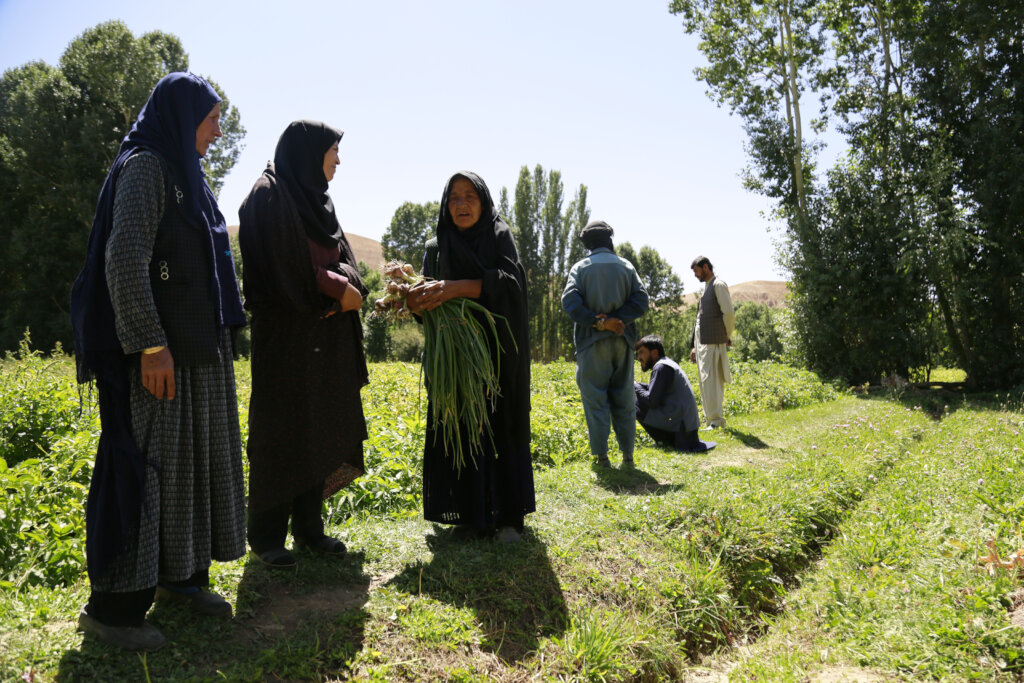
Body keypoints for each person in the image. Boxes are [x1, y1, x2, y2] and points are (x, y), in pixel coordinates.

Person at [69, 73, 247, 651]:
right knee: (148, 472)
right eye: (212, 118)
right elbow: (124, 261)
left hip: (199, 354)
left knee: (192, 468)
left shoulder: (188, 176)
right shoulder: (145, 167)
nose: (219, 131)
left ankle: (181, 578)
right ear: (181, 115)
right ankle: (114, 610)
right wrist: (149, 342)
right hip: (158, 360)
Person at [238, 120, 368, 569]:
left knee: (318, 426)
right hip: (286, 339)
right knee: (281, 430)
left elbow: (351, 265)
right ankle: (267, 537)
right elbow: (281, 267)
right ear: (308, 153)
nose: (338, 160)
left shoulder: (320, 201)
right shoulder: (268, 195)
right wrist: (336, 289)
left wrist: (346, 286)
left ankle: (310, 530)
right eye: (333, 150)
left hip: (324, 337)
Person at [406, 171, 534, 543]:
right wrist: (415, 300)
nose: (461, 204)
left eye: (469, 196)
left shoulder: (498, 236)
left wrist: (454, 289)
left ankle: (508, 518)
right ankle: (468, 514)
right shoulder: (437, 245)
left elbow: (510, 286)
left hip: (498, 356)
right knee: (461, 426)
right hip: (454, 360)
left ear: (484, 201)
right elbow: (425, 301)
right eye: (453, 198)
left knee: (499, 425)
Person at [561, 221, 650, 467]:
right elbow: (641, 300)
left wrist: (599, 322)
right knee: (624, 397)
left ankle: (602, 457)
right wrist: (618, 320)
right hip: (623, 343)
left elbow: (570, 303)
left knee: (595, 399)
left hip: (591, 344)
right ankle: (628, 457)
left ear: (587, 244)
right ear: (610, 240)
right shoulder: (627, 267)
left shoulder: (580, 268)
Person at [634, 335, 716, 453]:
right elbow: (655, 392)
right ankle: (666, 440)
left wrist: (634, 385)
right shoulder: (666, 364)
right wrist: (638, 385)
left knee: (633, 401)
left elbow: (652, 402)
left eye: (642, 353)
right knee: (637, 391)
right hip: (685, 427)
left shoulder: (661, 367)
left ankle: (665, 441)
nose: (639, 358)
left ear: (655, 353)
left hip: (681, 429)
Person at [689, 256, 734, 429]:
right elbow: (700, 320)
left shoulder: (718, 285)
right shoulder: (708, 288)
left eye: (696, 271)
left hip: (713, 342)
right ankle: (711, 420)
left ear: (705, 267)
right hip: (703, 344)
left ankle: (716, 420)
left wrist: (726, 335)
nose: (695, 275)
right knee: (705, 381)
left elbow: (728, 314)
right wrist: (694, 346)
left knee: (713, 380)